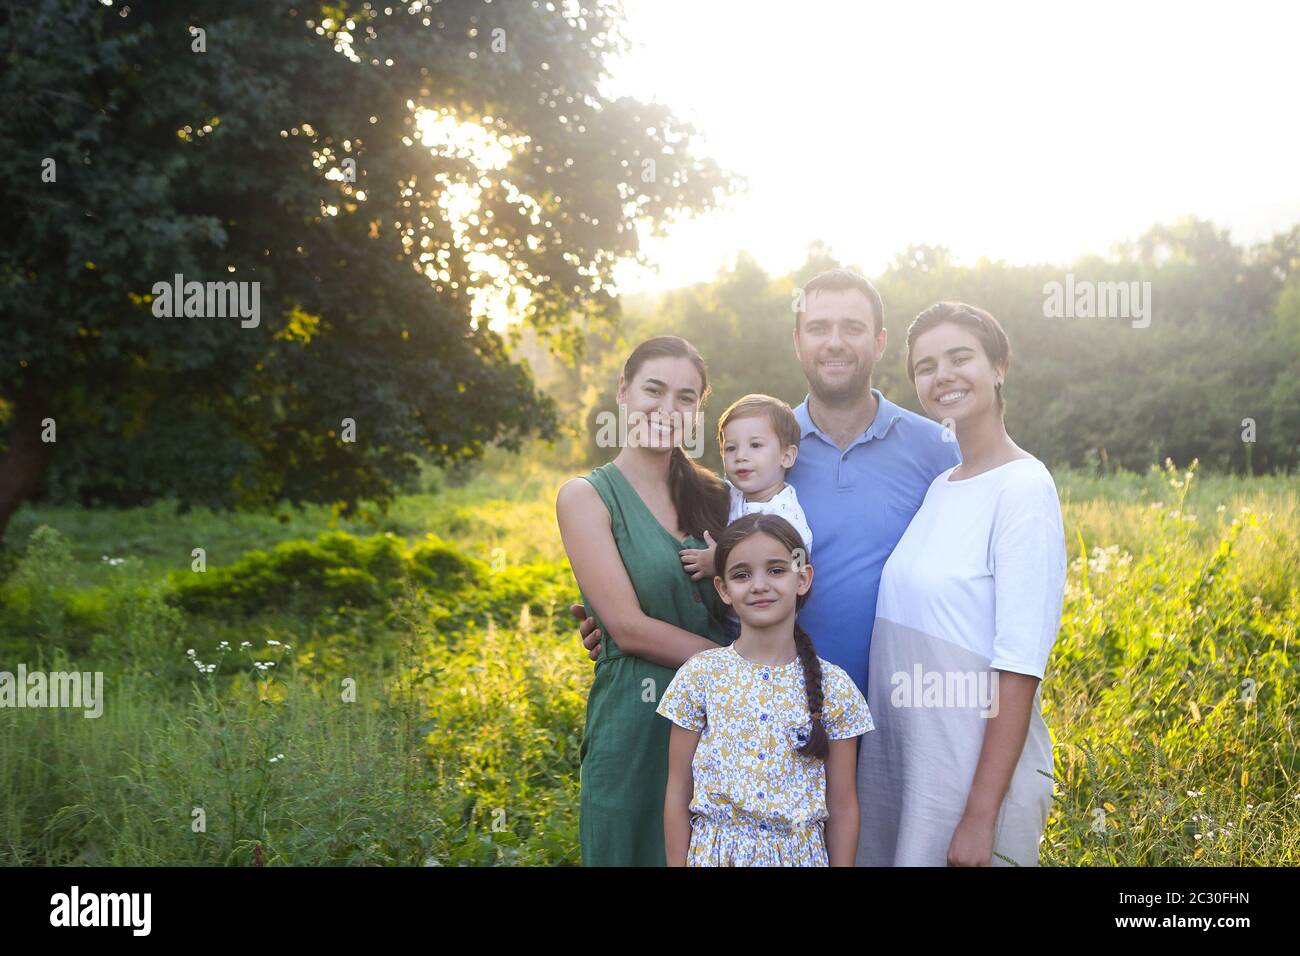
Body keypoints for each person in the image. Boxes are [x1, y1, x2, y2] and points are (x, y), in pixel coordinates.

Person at [575, 268, 961, 703]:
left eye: (852, 327)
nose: (835, 342)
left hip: (904, 704)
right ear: (798, 343)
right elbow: (706, 575)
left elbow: (969, 576)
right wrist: (607, 623)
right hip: (773, 711)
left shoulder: (937, 448)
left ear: (879, 342)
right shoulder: (757, 449)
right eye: (818, 328)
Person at [856, 302, 1066, 867]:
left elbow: (1020, 664)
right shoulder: (942, 485)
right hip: (912, 767)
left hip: (971, 780)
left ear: (998, 366)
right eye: (926, 366)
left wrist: (980, 816)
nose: (942, 375)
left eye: (960, 357)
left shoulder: (1023, 489)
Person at [555, 334, 734, 867]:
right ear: (624, 392)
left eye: (686, 397)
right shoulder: (586, 497)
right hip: (636, 723)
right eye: (653, 389)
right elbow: (627, 628)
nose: (668, 409)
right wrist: (741, 667)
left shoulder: (721, 496)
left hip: (723, 726)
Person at [657, 513, 872, 866]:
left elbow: (844, 806)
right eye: (742, 575)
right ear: (723, 589)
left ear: (802, 579)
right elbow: (678, 792)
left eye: (776, 570)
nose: (759, 585)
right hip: (716, 856)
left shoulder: (835, 688)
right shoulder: (701, 675)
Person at [679, 393, 813, 640]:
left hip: (767, 628)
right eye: (730, 448)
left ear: (787, 456)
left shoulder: (783, 514)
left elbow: (777, 567)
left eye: (755, 445)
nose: (740, 456)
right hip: (729, 620)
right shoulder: (735, 493)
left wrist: (716, 563)